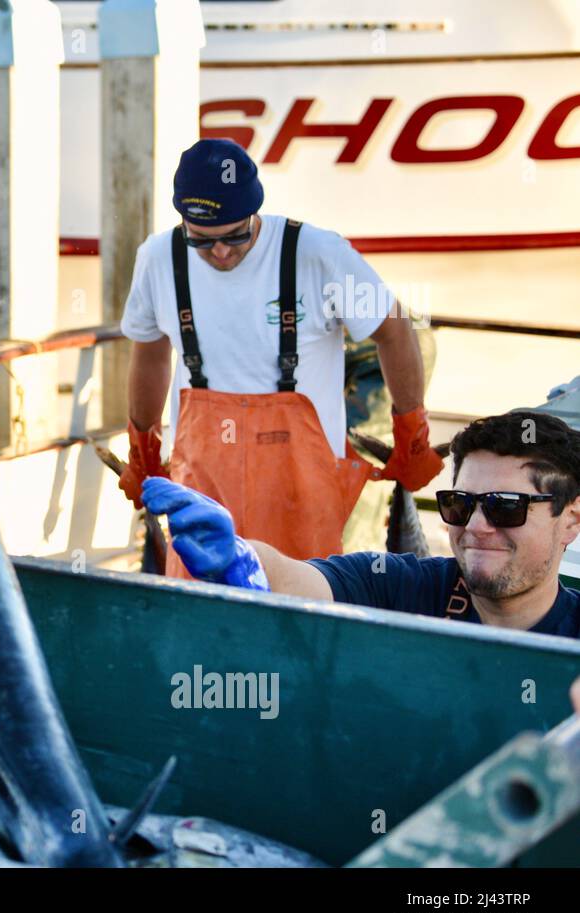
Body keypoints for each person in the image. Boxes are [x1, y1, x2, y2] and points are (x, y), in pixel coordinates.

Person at [117, 139, 441, 575]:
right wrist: (142, 446)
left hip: (301, 491)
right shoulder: (158, 258)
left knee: (303, 608)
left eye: (235, 235)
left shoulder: (318, 254)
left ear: (256, 213)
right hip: (202, 484)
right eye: (203, 241)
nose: (221, 252)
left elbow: (394, 329)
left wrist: (411, 432)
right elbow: (151, 354)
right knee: (200, 610)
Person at [142, 411, 580, 638]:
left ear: (571, 521)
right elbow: (295, 579)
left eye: (505, 507)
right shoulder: (397, 587)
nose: (478, 526)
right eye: (459, 504)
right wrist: (237, 558)